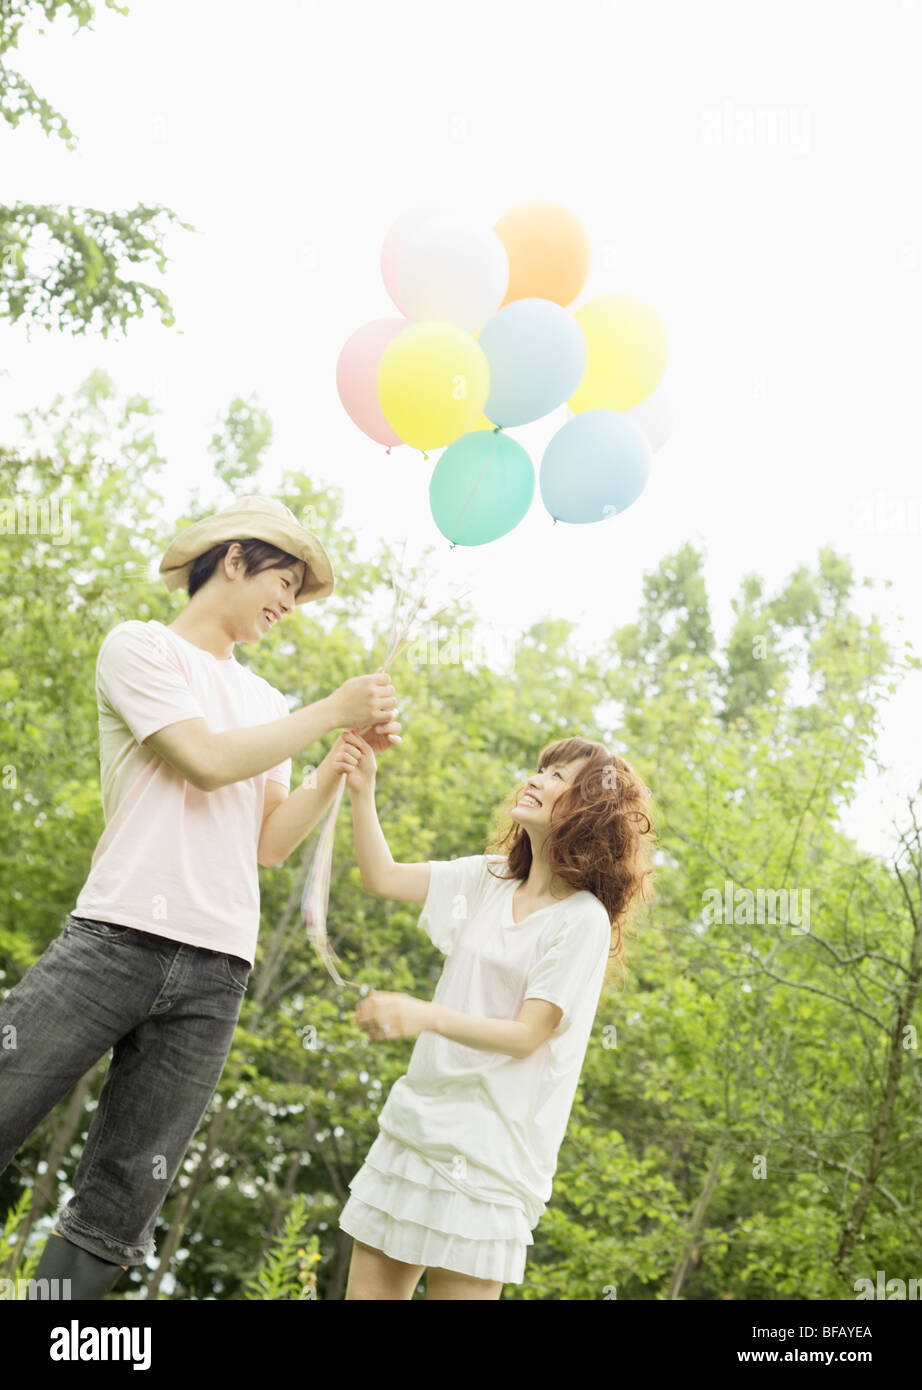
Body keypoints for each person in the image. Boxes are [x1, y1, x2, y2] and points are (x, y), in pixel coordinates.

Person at [0, 495, 401, 1298]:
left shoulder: (265, 703)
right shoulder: (139, 648)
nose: (288, 606)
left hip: (218, 969)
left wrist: (334, 766)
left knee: (118, 1206)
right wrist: (331, 710)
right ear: (233, 559)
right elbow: (203, 761)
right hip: (114, 938)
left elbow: (269, 843)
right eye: (284, 583)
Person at [332, 725, 656, 1300]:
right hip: (414, 1134)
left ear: (589, 810)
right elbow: (380, 877)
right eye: (539, 767)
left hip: (487, 1160)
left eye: (557, 776)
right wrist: (363, 790)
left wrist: (423, 1015)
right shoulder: (488, 879)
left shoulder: (581, 919)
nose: (535, 779)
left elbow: (527, 1034)